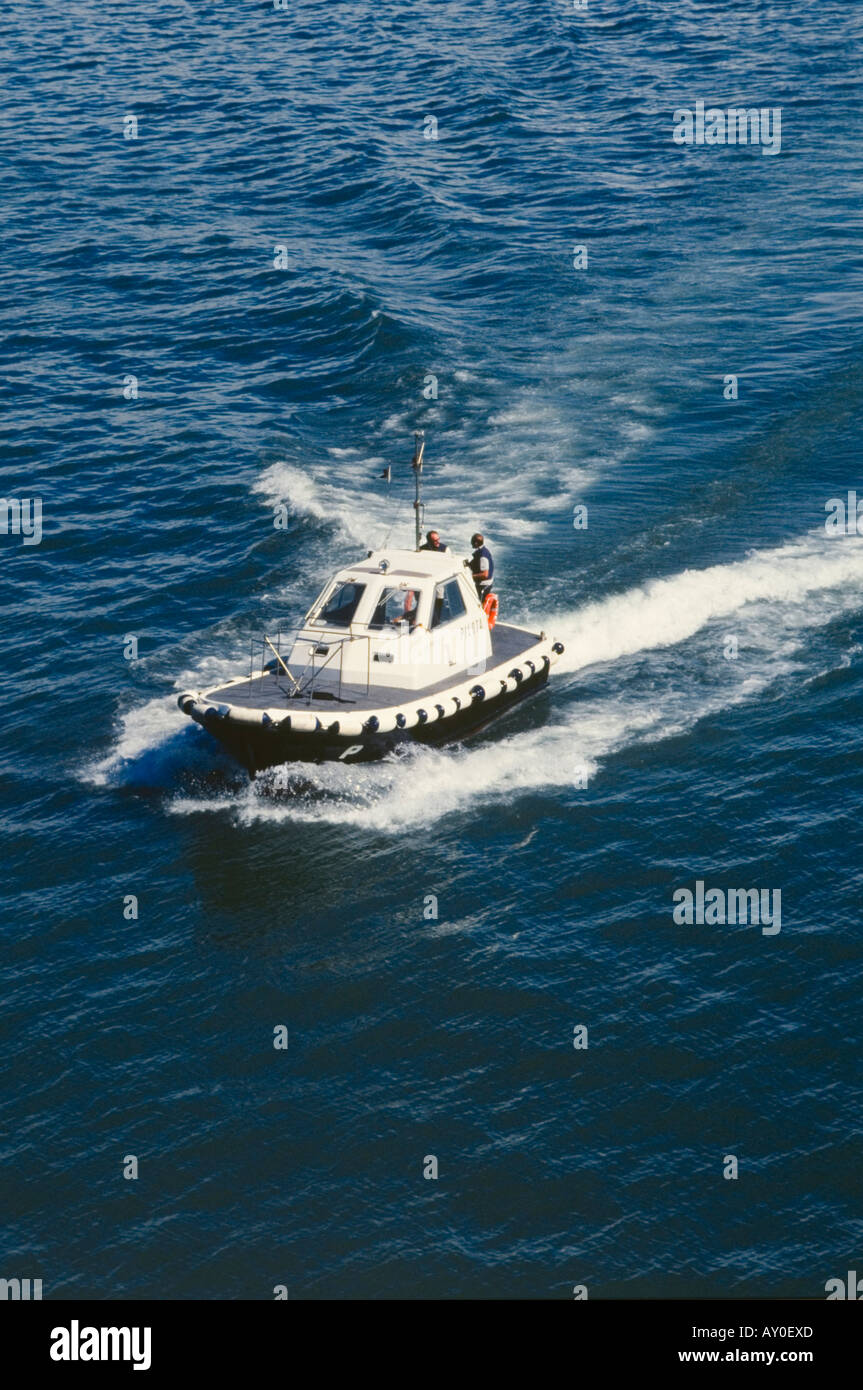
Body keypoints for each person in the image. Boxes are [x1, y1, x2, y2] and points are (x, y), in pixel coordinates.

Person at [470, 532, 494, 599]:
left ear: (476, 543)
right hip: (485, 583)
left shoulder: (483, 556)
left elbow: (485, 575)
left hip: (484, 585)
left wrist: (470, 576)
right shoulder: (483, 551)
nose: (471, 543)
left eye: (472, 541)